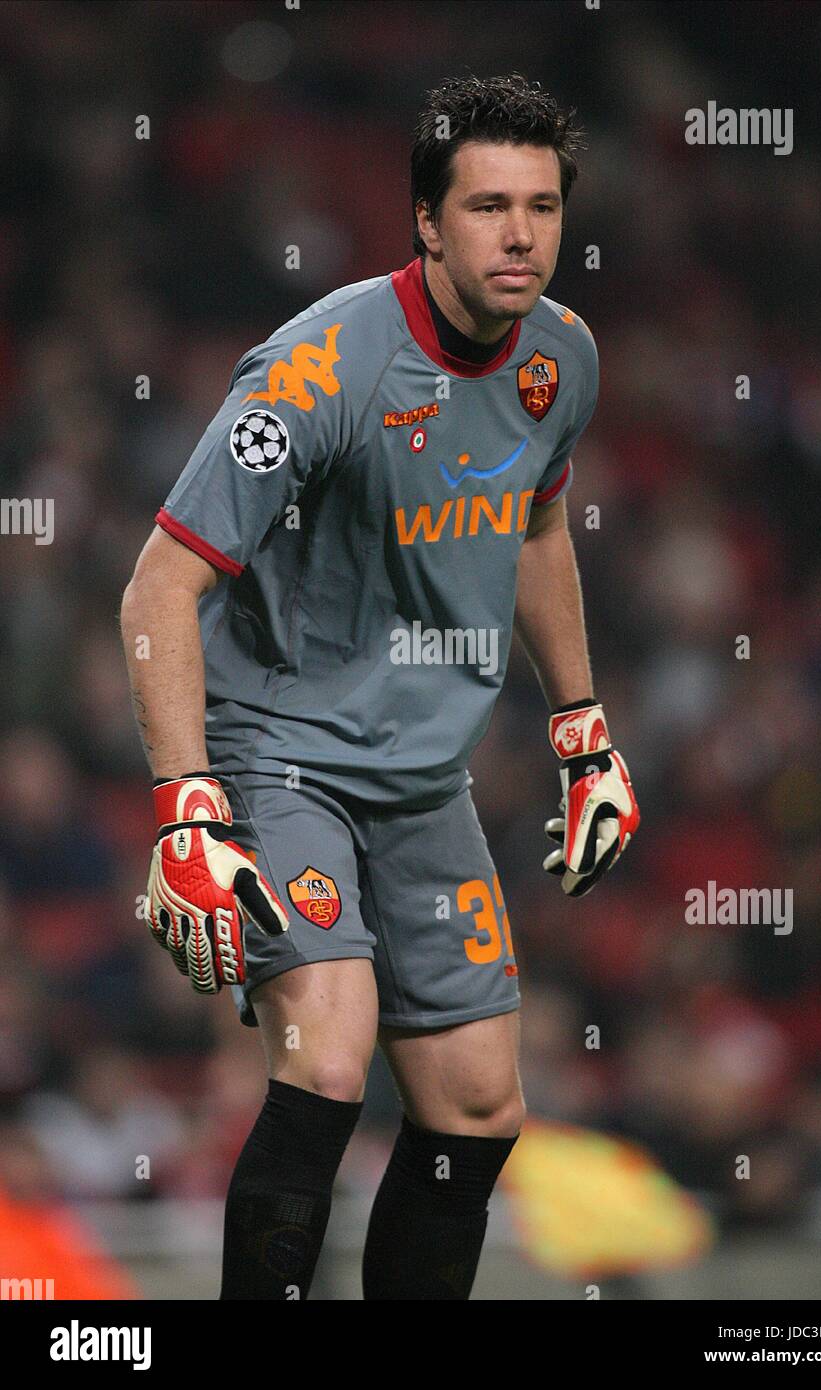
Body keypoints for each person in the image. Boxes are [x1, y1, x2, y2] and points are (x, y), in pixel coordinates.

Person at [120, 72, 639, 1302]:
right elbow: (158, 586)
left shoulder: (560, 360)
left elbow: (537, 532)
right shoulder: (318, 371)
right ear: (423, 220)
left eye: (543, 207)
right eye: (486, 207)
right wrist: (185, 805)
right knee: (331, 1055)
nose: (520, 235)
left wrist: (580, 726)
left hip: (420, 775)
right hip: (279, 749)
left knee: (477, 1102)